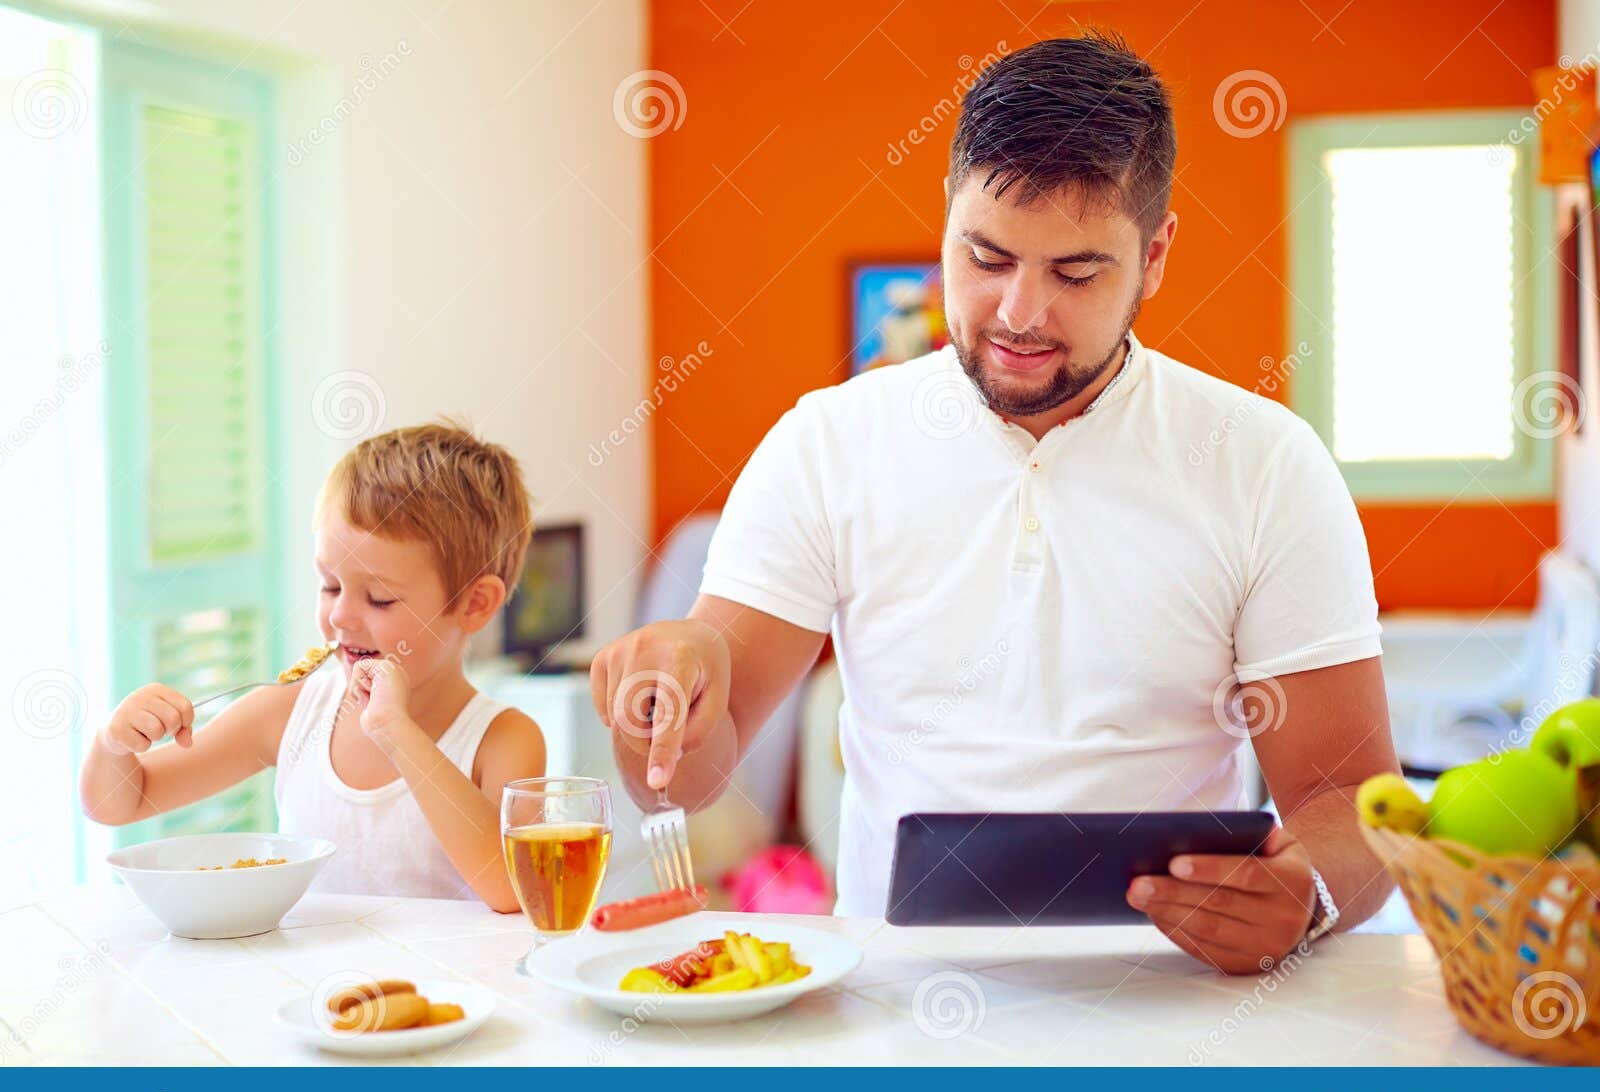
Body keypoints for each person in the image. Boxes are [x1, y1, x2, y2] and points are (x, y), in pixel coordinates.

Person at [591, 32, 1400, 973]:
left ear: (1158, 254)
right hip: (895, 1004)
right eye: (986, 256)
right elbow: (683, 783)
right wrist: (661, 705)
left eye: (1077, 273)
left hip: (1178, 999)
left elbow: (1351, 801)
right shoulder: (827, 443)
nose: (1019, 313)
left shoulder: (1265, 465)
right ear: (946, 219)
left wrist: (1310, 896)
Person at [78, 422, 545, 911]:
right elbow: (118, 803)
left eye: (380, 598)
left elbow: (511, 889)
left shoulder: (503, 740)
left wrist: (394, 729)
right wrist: (112, 744)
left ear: (474, 604)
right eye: (329, 585)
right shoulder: (289, 713)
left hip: (440, 988)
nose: (341, 615)